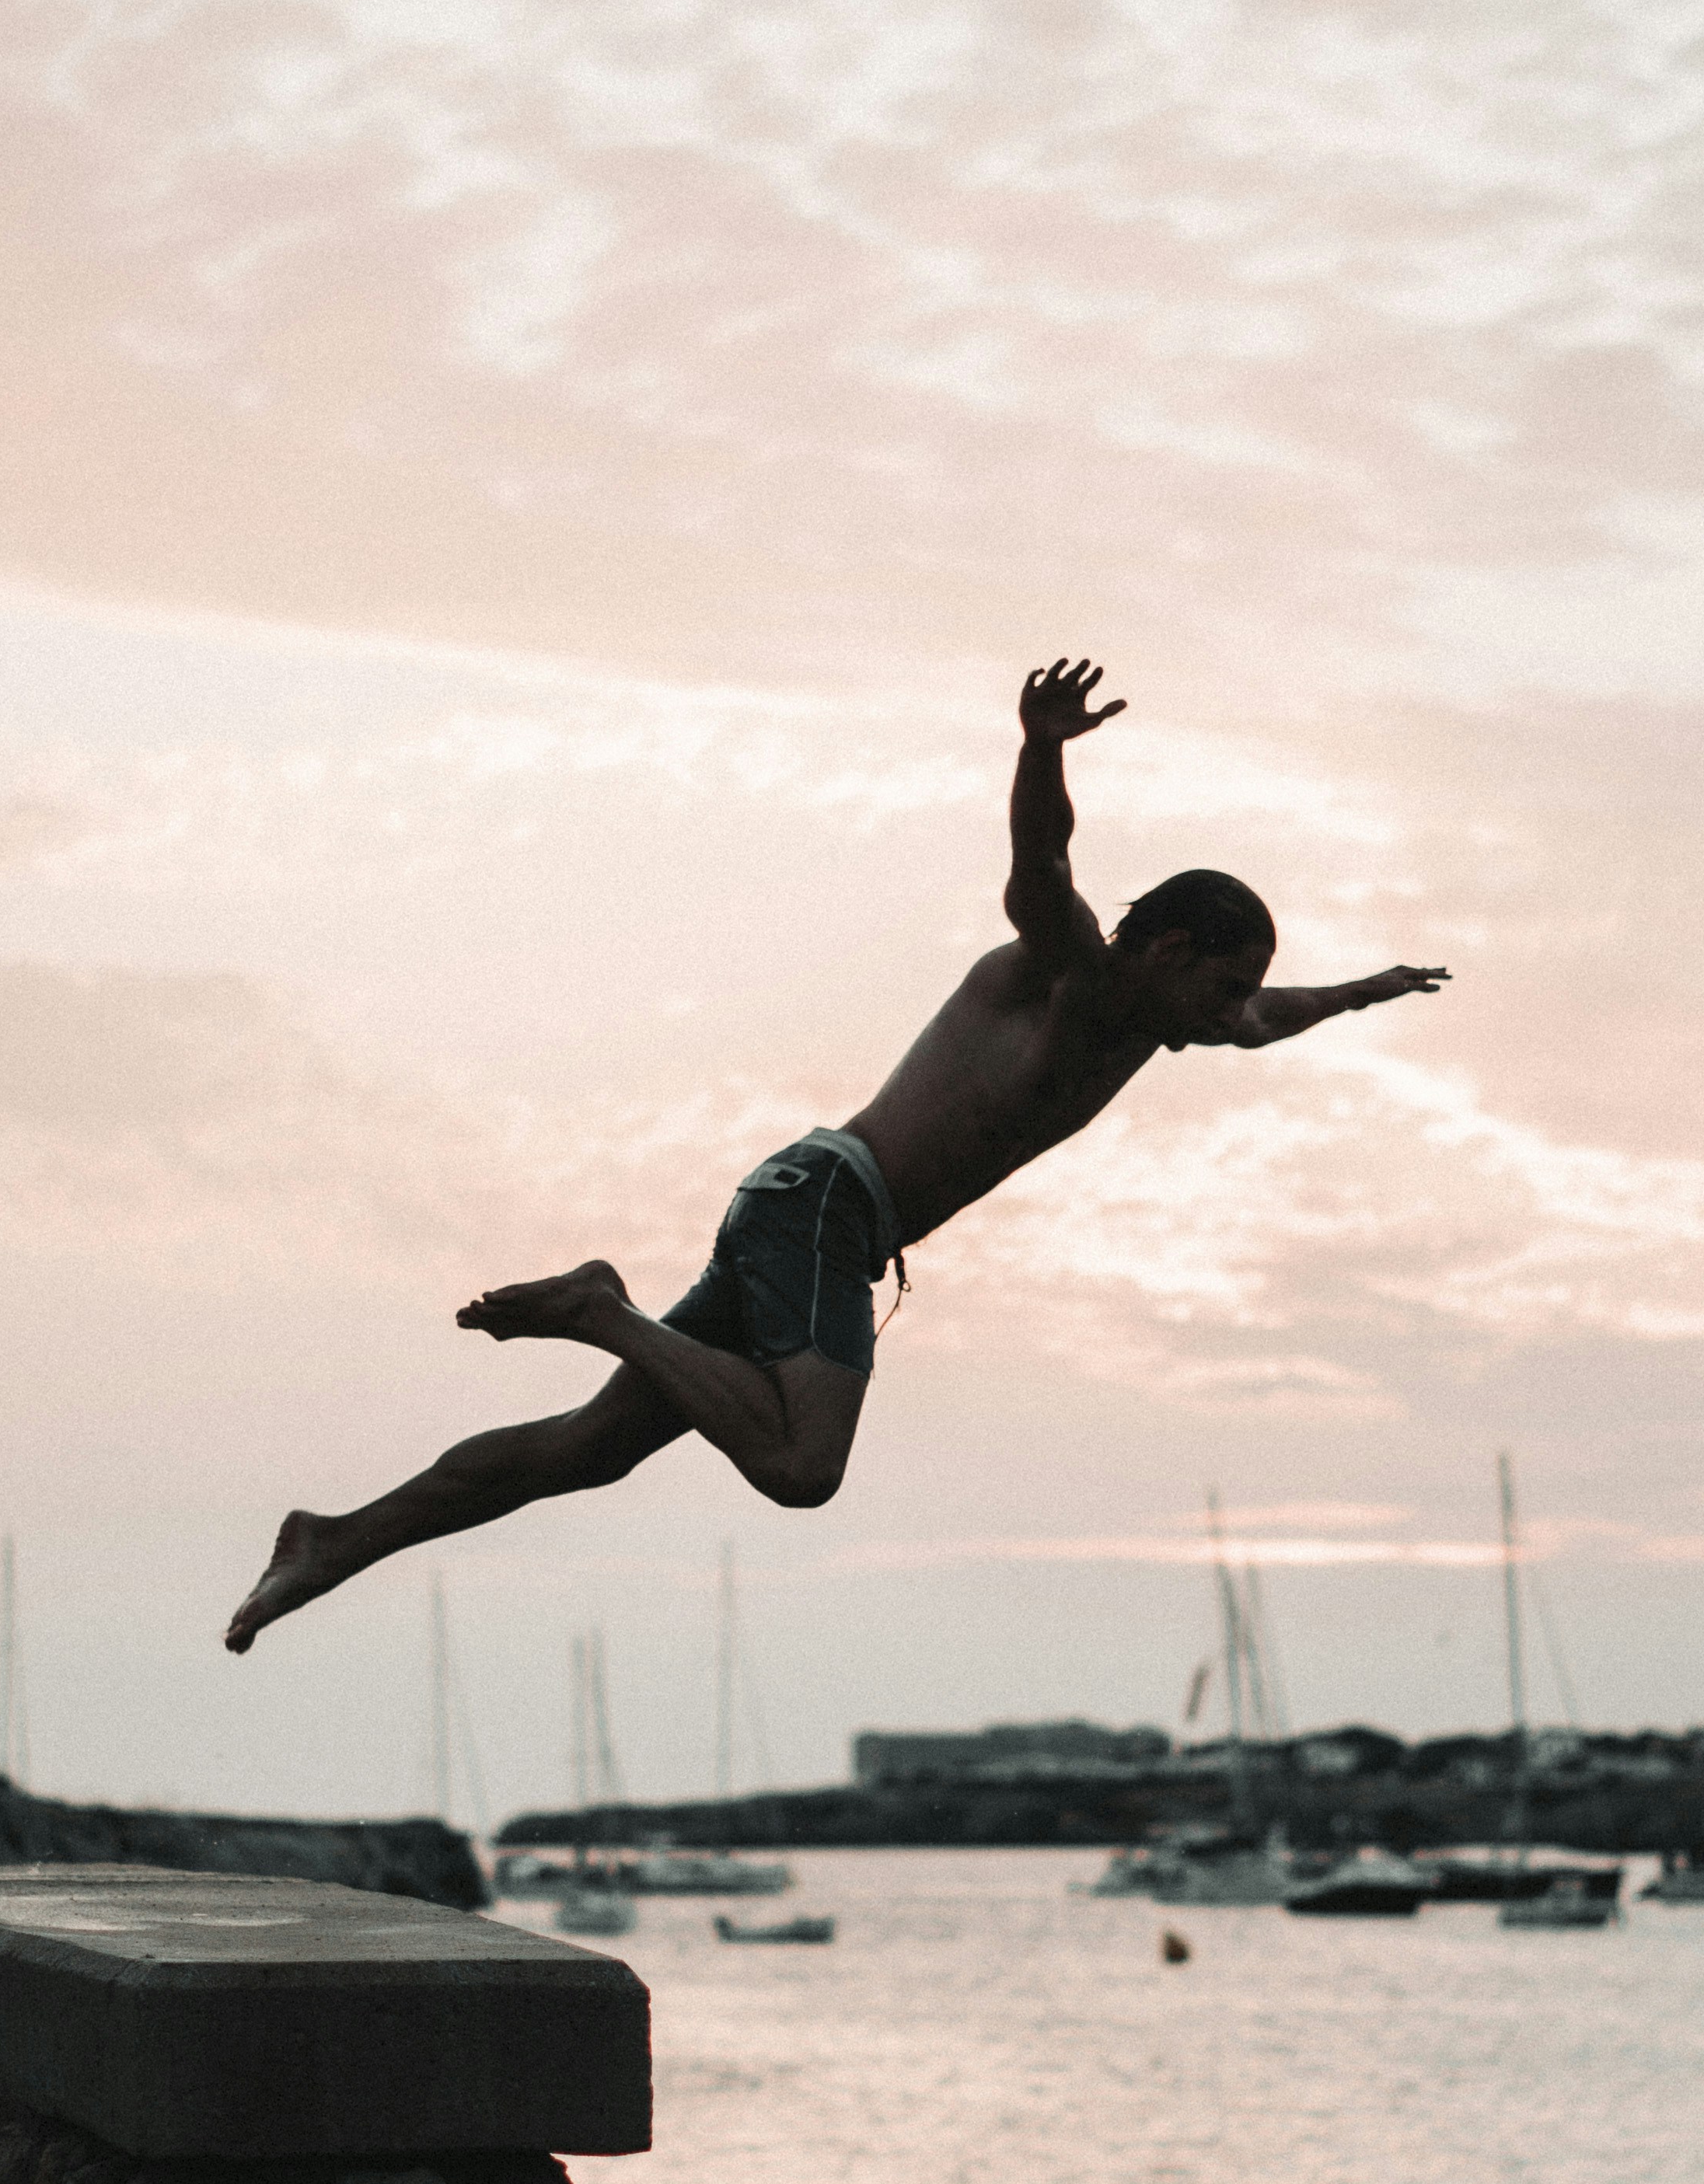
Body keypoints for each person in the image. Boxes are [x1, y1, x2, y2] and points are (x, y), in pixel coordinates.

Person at [225, 658, 1447, 1651]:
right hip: (826, 1211)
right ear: (1169, 945)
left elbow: (1265, 1024)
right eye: (1225, 981)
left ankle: (332, 1541)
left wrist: (1364, 991)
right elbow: (1041, 869)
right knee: (804, 1469)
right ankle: (605, 1311)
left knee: (589, 1453)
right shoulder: (1069, 972)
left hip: (803, 1208)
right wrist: (1041, 751)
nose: (1234, 1010)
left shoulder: (1164, 1021)